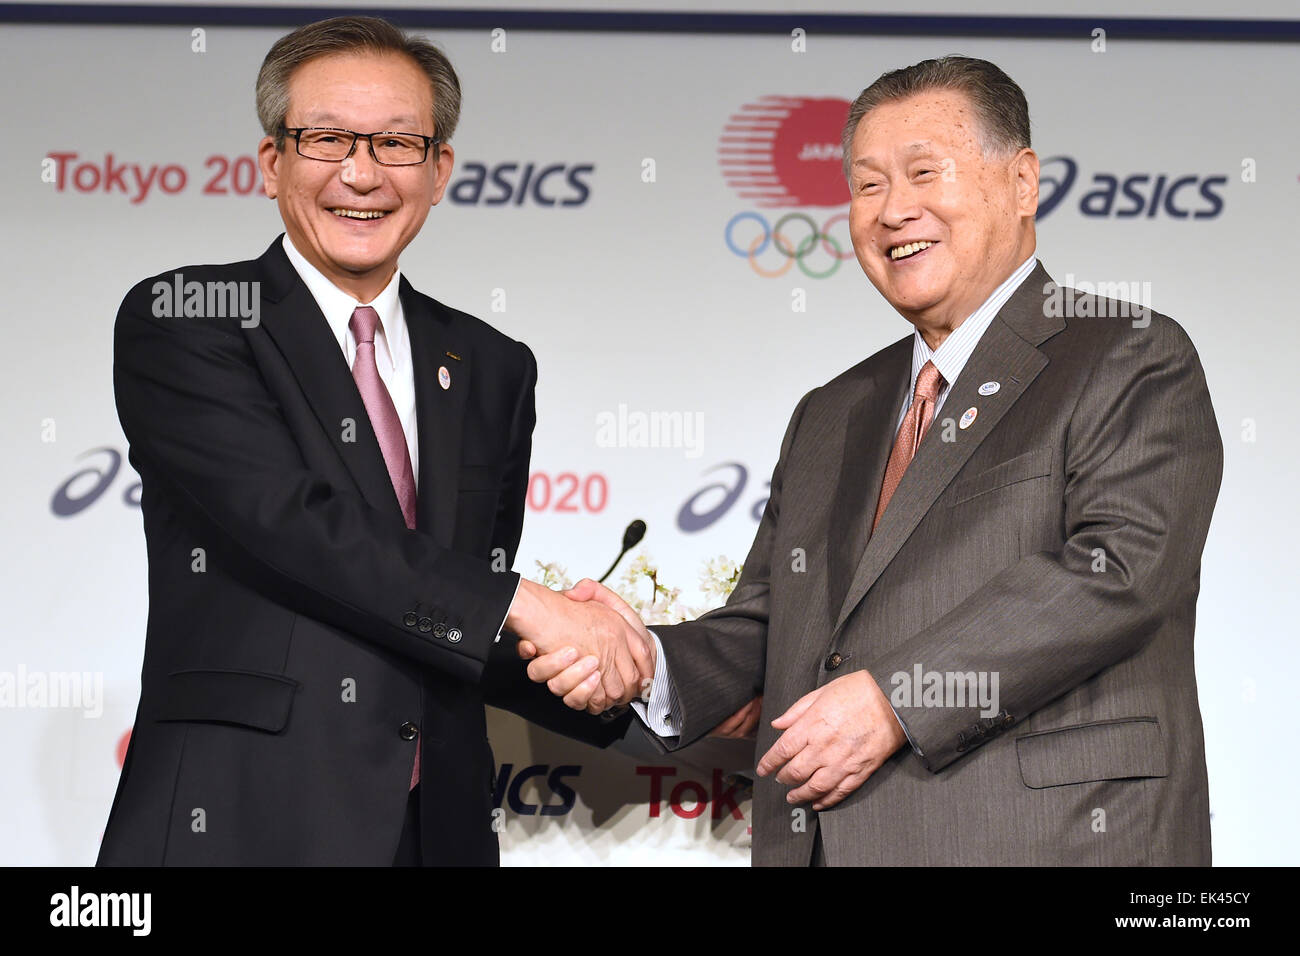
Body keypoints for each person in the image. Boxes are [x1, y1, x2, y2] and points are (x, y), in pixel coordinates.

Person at [525, 55, 1223, 866]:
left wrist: (897, 700)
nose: (895, 211)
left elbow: (1119, 571)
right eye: (867, 186)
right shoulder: (833, 411)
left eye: (926, 173)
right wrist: (647, 664)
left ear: (1024, 182)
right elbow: (768, 625)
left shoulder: (1128, 354)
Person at [97, 15, 647, 867]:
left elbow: (451, 606)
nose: (361, 173)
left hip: (438, 831)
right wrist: (526, 606)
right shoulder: (189, 317)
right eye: (325, 139)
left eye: (396, 143)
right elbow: (298, 528)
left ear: (439, 171)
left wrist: (632, 687)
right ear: (272, 163)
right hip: (239, 819)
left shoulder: (493, 365)